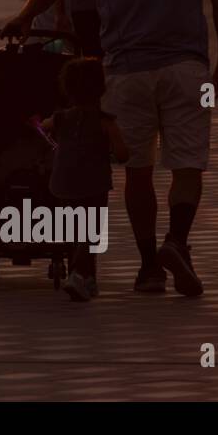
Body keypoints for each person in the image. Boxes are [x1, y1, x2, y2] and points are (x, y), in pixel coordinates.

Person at [3, 0, 218, 297]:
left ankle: (149, 268)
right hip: (187, 68)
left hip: (126, 72)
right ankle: (177, 241)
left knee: (138, 171)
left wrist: (23, 16)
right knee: (187, 165)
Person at [41, 57, 129, 301]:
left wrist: (39, 126)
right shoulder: (106, 122)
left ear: (67, 89)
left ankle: (87, 278)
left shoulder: (60, 118)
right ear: (101, 88)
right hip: (94, 184)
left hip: (63, 183)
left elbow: (44, 127)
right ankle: (79, 275)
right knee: (90, 233)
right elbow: (122, 154)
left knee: (75, 230)